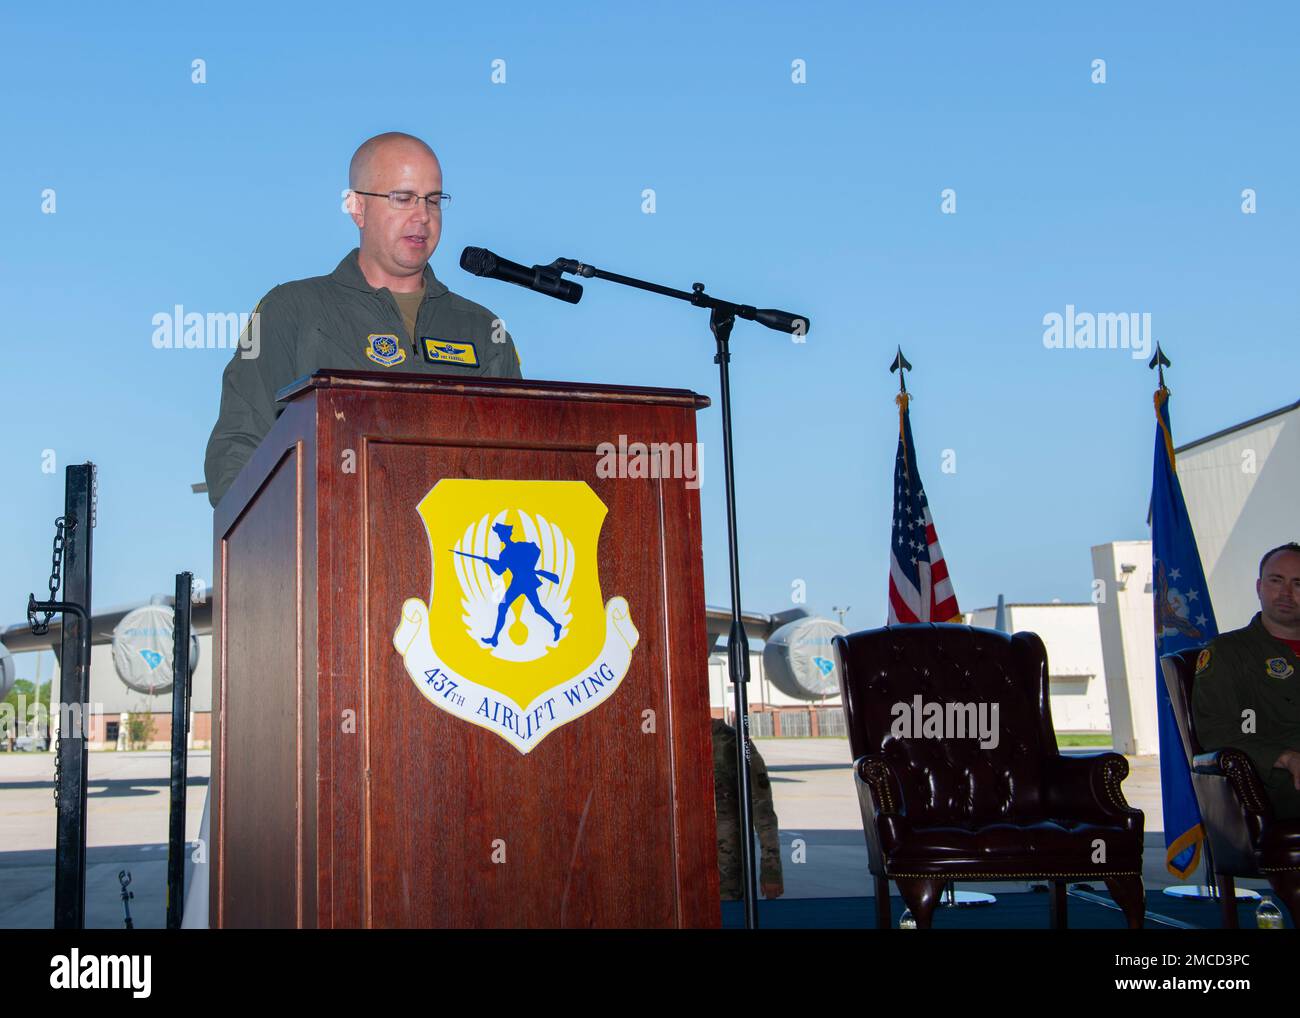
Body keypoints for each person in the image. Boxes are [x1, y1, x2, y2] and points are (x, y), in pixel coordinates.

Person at [203, 132, 522, 507]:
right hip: (329, 553)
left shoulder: (483, 330)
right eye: (403, 198)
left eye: (433, 200)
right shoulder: (291, 310)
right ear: (356, 207)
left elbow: (520, 459)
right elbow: (237, 456)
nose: (422, 216)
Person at [1192, 542, 1300, 819]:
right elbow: (1215, 730)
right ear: (1259, 587)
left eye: (1298, 583)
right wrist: (1286, 757)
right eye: (1276, 581)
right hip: (1277, 784)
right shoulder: (1228, 652)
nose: (1286, 593)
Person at [712, 717, 784, 900]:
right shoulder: (674, 744)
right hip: (679, 870)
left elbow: (763, 811)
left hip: (725, 874)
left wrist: (771, 869)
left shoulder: (734, 744)